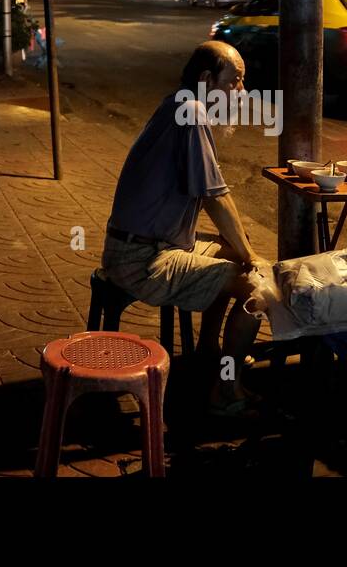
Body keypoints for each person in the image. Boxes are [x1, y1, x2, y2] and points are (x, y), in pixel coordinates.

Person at [102, 41, 269, 415]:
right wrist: (252, 257)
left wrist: (241, 248)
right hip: (143, 259)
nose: (240, 92)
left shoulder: (179, 104)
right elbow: (215, 197)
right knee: (257, 287)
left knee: (235, 251)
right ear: (207, 79)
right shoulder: (190, 112)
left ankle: (210, 353)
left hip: (147, 244)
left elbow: (213, 195)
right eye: (235, 82)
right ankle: (226, 391)